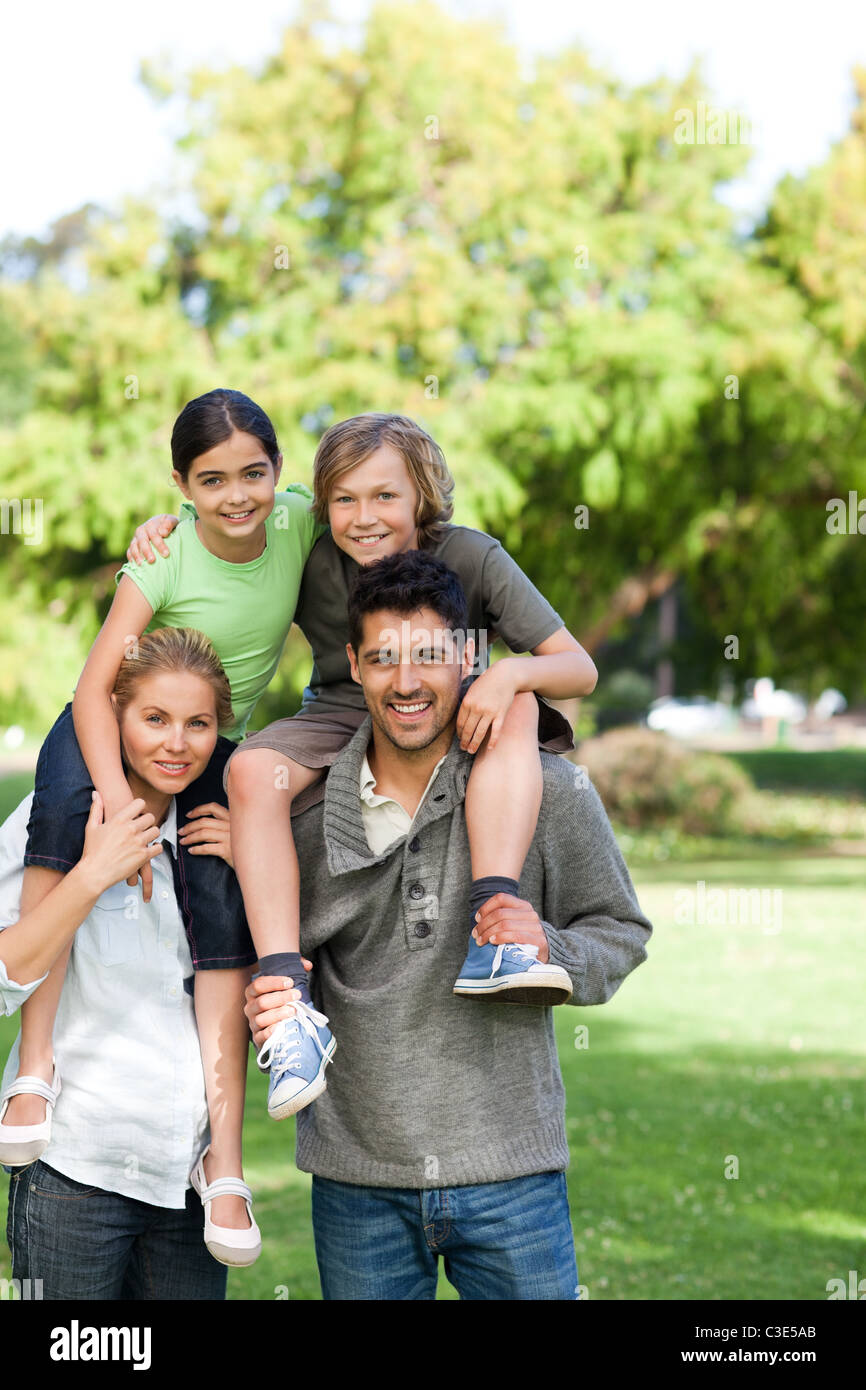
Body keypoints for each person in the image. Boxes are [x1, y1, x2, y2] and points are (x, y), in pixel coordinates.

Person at [127, 412, 599, 1121]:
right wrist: (171, 525)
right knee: (252, 771)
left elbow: (578, 668)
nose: (363, 517)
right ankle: (287, 1005)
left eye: (385, 497)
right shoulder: (312, 556)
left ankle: (494, 927)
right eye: (344, 499)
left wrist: (507, 676)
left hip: (445, 703)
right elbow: (232, 526)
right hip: (342, 713)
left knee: (523, 703)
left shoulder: (471, 556)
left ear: (422, 496)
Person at [244, 549, 653, 1300]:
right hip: (357, 1184)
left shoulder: (545, 790)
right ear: (352, 664)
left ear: (469, 656)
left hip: (512, 1177)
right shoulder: (296, 816)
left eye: (430, 657)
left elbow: (621, 931)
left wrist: (547, 946)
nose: (406, 683)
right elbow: (273, 976)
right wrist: (263, 1003)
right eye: (384, 659)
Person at [0, 388, 327, 1261]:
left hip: (215, 737)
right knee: (65, 817)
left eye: (253, 474)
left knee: (220, 876)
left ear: (279, 473)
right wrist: (108, 796)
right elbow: (95, 681)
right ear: (181, 485)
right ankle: (34, 1072)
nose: (236, 497)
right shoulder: (167, 555)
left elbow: (385, 518)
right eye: (211, 480)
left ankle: (226, 1164)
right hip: (110, 722)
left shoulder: (300, 522)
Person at [0, 629, 259, 1298]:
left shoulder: (229, 837)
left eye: (198, 723)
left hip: (188, 1181)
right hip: (73, 1172)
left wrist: (252, 864)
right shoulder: (52, 822)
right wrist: (89, 876)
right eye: (154, 719)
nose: (177, 743)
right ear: (115, 715)